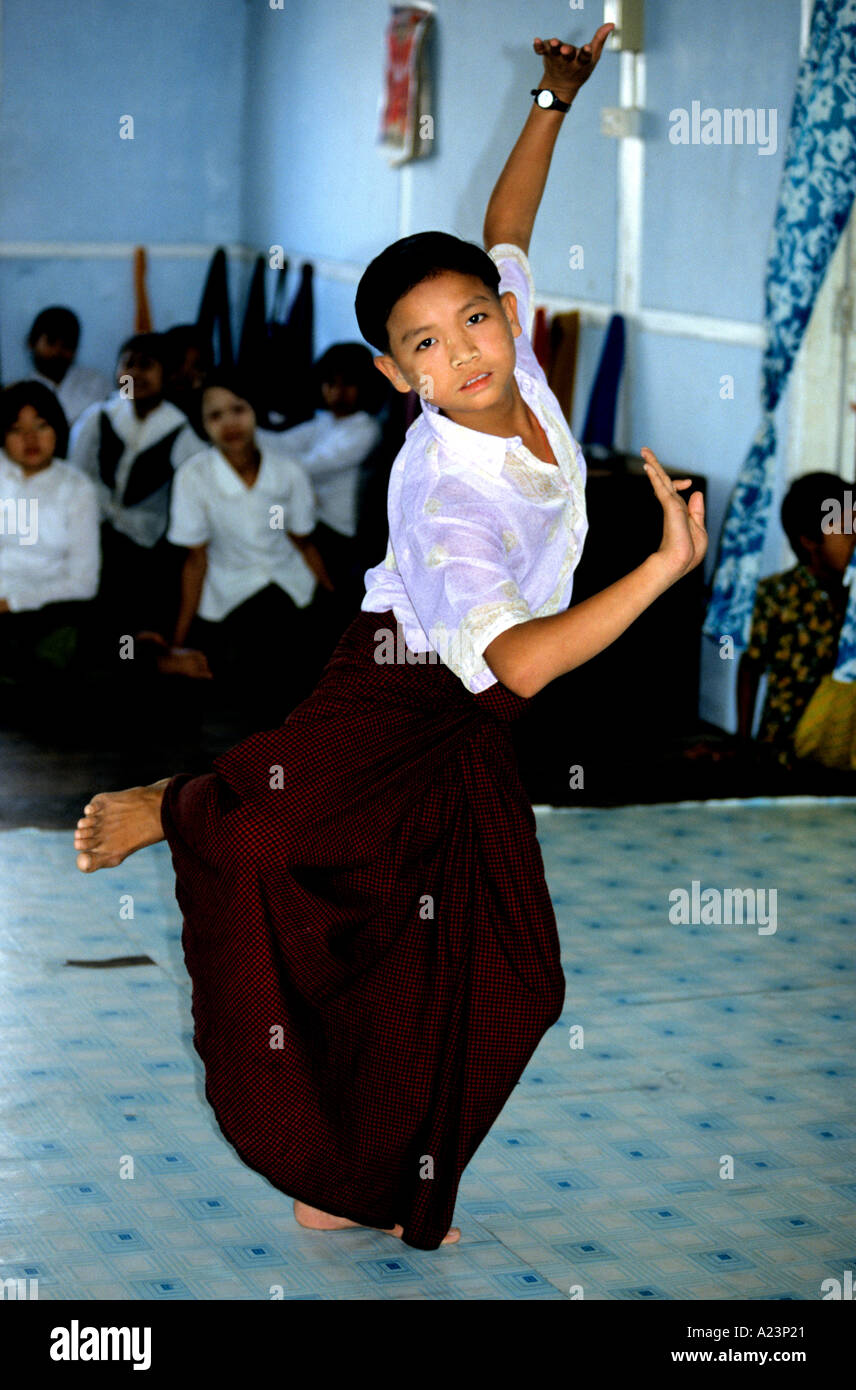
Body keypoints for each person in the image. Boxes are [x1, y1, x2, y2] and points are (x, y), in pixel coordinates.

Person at [73, 26, 707, 1251]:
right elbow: (517, 658)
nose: (467, 351)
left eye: (474, 319)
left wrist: (550, 100)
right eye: (429, 344)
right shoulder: (442, 489)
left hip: (479, 709)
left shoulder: (507, 340)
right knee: (273, 857)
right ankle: (183, 802)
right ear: (393, 372)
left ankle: (373, 1163)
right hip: (402, 680)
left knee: (515, 977)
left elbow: (504, 215)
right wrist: (660, 568)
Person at [166, 370, 334, 727]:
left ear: (255, 411)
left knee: (307, 671)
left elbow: (303, 542)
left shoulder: (289, 472)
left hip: (291, 586)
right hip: (230, 593)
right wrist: (178, 641)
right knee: (247, 678)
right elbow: (195, 559)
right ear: (202, 424)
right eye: (215, 415)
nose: (229, 423)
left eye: (238, 409)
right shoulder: (193, 476)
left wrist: (333, 600)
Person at [69, 333, 200, 646]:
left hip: (146, 539)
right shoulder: (99, 416)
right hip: (95, 526)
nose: (135, 374)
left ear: (167, 375)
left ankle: (134, 647)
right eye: (127, 364)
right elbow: (76, 477)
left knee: (133, 589)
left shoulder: (179, 430)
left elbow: (196, 491)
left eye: (147, 366)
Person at [737, 472, 856, 768]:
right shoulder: (776, 596)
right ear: (809, 541)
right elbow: (750, 667)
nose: (855, 540)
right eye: (845, 530)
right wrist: (742, 740)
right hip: (785, 750)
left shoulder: (853, 598)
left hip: (840, 747)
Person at [0, 380, 100, 708]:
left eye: (40, 426)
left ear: (57, 429)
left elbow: (84, 584)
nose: (30, 439)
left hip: (47, 610)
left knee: (77, 645)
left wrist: (14, 602)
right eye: (17, 429)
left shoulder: (77, 488)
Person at [276, 343, 385, 634]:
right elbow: (282, 444)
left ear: (365, 386)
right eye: (330, 384)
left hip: (338, 534)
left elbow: (310, 466)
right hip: (315, 523)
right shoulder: (325, 422)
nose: (338, 392)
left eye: (348, 384)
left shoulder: (365, 429)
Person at [26, 306, 112, 428]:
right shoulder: (21, 393)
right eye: (51, 342)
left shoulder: (96, 383)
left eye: (68, 345)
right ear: (31, 342)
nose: (58, 352)